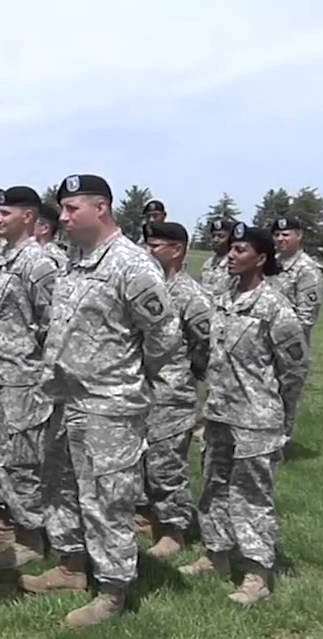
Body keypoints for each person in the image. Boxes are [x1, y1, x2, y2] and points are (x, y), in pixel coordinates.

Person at [19, 174, 179, 630]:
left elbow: (164, 336)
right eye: (63, 210)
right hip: (66, 400)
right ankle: (72, 566)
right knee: (61, 486)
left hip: (110, 405)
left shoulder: (132, 265)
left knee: (107, 498)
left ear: (101, 209)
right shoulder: (76, 260)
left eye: (72, 209)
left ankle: (113, 590)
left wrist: (123, 377)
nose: (63, 218)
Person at [179, 222, 307, 606]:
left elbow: (295, 369)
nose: (232, 256)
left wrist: (282, 417)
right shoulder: (222, 297)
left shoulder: (274, 307)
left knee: (252, 496)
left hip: (257, 417)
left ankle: (256, 574)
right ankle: (215, 555)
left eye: (241, 251)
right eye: (231, 249)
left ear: (261, 258)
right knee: (214, 487)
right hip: (219, 413)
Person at [0, 187, 57, 570]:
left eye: (5, 213)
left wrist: (41, 377)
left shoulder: (39, 264)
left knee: (21, 462)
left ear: (28, 218)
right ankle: (4, 520)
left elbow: (53, 326)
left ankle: (32, 537)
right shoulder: (2, 259)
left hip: (22, 379)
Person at [140, 221, 212, 560]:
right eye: (148, 244)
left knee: (166, 464)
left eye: (157, 245)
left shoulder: (191, 295)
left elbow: (206, 345)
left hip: (172, 393)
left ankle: (174, 530)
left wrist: (184, 375)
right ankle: (147, 516)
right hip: (140, 388)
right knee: (140, 460)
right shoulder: (146, 287)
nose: (149, 250)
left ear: (178, 250)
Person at [269, 216, 323, 440]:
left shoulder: (308, 269)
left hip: (290, 348)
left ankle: (281, 443)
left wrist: (285, 345)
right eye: (277, 235)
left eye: (286, 234)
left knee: (286, 396)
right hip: (265, 343)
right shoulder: (273, 263)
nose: (280, 239)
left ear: (299, 236)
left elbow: (306, 317)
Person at [199, 218, 234, 295]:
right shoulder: (208, 263)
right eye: (213, 236)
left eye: (221, 236)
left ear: (231, 239)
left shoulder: (235, 264)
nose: (215, 239)